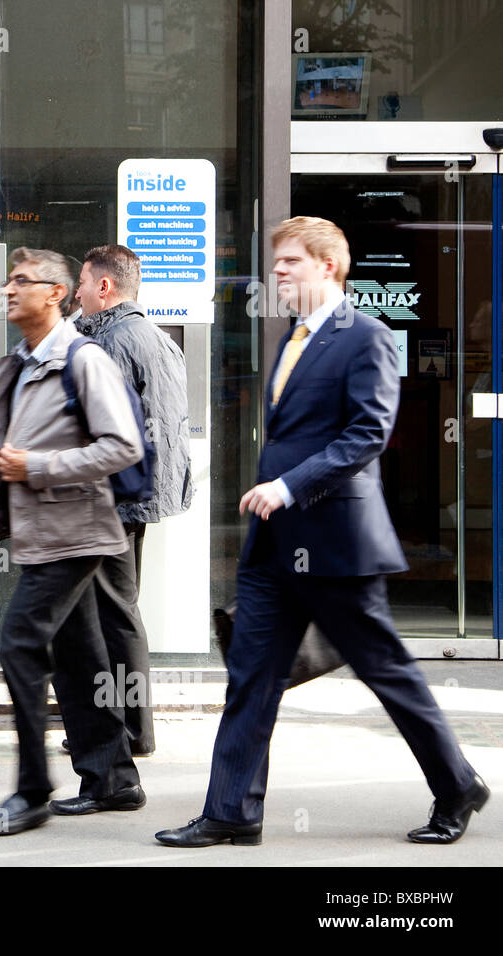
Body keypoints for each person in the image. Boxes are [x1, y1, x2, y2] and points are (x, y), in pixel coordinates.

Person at [156, 217, 489, 848]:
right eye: (276, 262)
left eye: (290, 262)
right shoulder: (292, 339)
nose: (277, 271)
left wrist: (287, 487)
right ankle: (230, 812)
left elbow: (366, 435)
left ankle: (457, 784)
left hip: (336, 541)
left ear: (329, 267)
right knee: (251, 674)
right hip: (273, 546)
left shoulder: (366, 338)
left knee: (386, 671)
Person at [0, 248, 143, 836]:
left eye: (22, 282)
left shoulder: (81, 360)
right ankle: (114, 777)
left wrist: (35, 466)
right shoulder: (24, 360)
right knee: (80, 656)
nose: (9, 291)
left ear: (56, 293)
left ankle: (32, 790)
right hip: (46, 533)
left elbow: (122, 446)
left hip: (75, 533)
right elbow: (23, 438)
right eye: (8, 282)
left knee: (18, 647)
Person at [71, 244, 192, 757]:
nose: (75, 292)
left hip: (113, 499)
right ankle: (128, 728)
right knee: (117, 611)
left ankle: (129, 731)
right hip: (137, 496)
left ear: (105, 287)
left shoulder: (113, 342)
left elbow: (101, 430)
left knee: (113, 617)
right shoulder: (155, 336)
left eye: (81, 283)